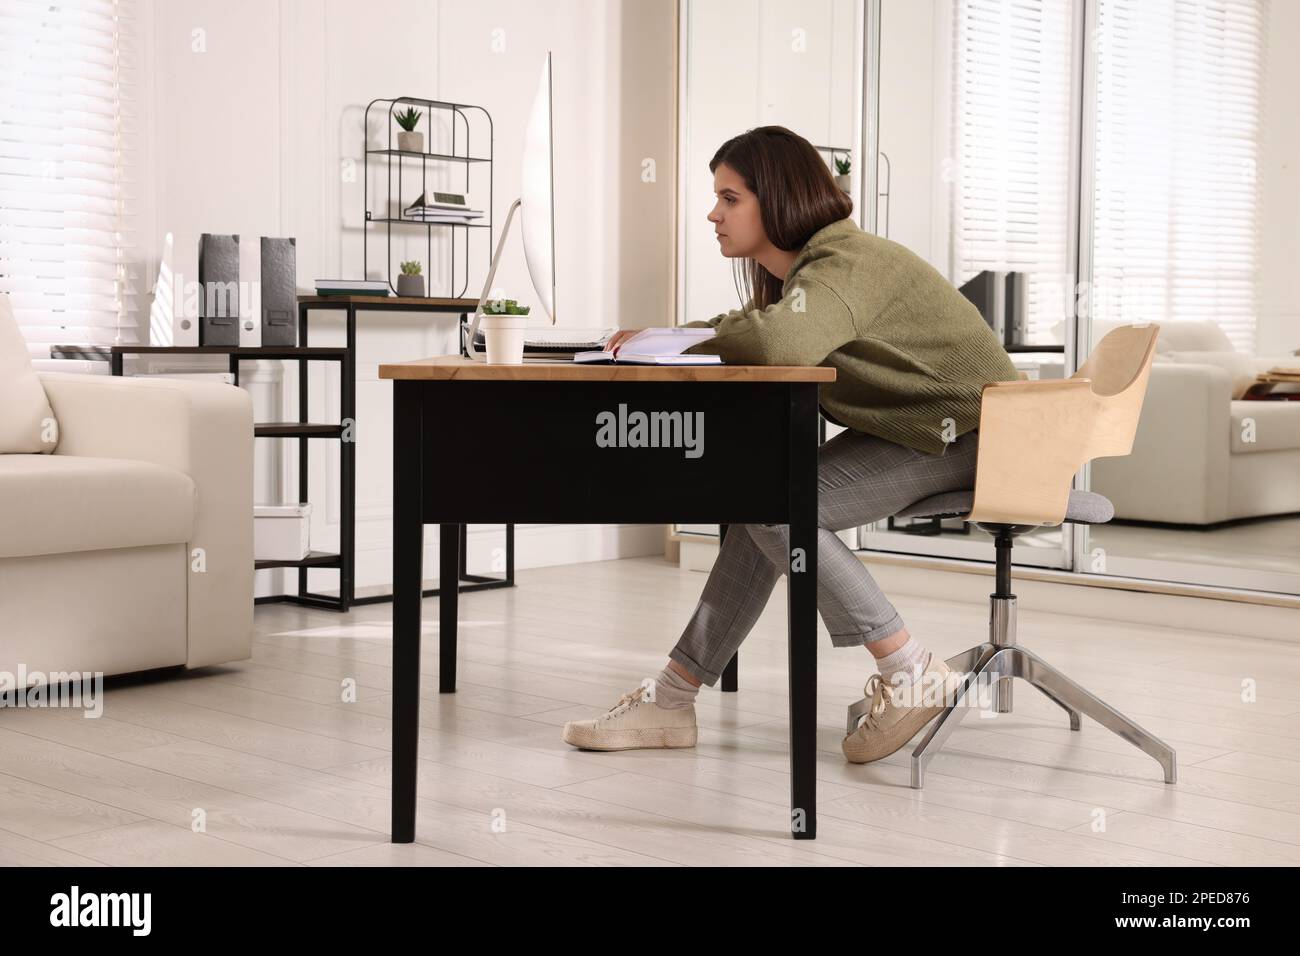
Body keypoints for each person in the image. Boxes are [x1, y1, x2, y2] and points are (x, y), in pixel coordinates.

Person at [563, 125, 1020, 763]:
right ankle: (672, 699)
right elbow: (777, 332)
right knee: (762, 502)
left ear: (773, 200)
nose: (713, 214)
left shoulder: (844, 264)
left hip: (974, 437)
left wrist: (680, 337)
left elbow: (781, 344)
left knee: (770, 499)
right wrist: (677, 334)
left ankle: (911, 668)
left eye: (730, 198)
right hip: (933, 430)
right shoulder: (814, 275)